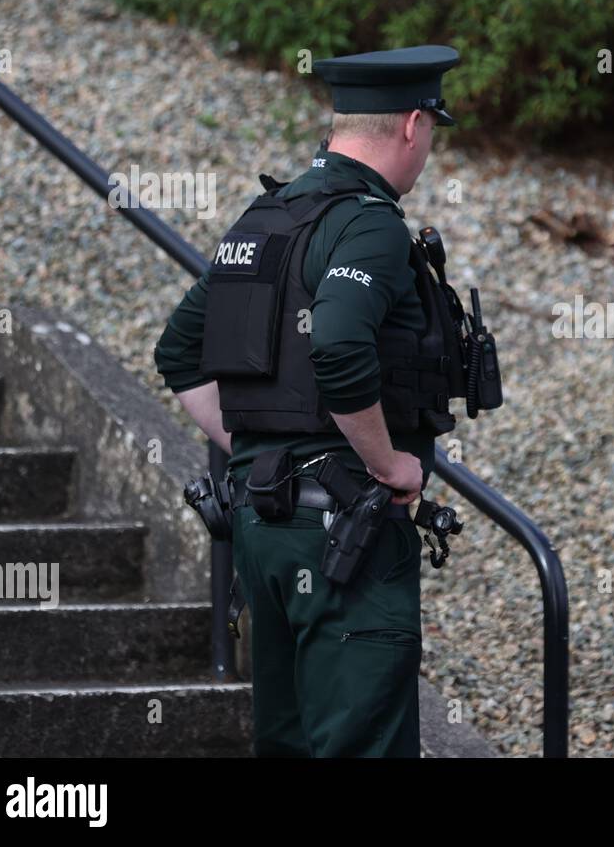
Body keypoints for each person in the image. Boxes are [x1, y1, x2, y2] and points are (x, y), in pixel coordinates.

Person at [154, 45, 462, 757]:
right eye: (433, 134)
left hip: (264, 531)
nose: (429, 151)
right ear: (413, 125)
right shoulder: (371, 224)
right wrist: (388, 465)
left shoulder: (265, 218)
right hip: (345, 536)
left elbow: (178, 351)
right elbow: (338, 345)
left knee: (288, 744)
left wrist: (263, 449)